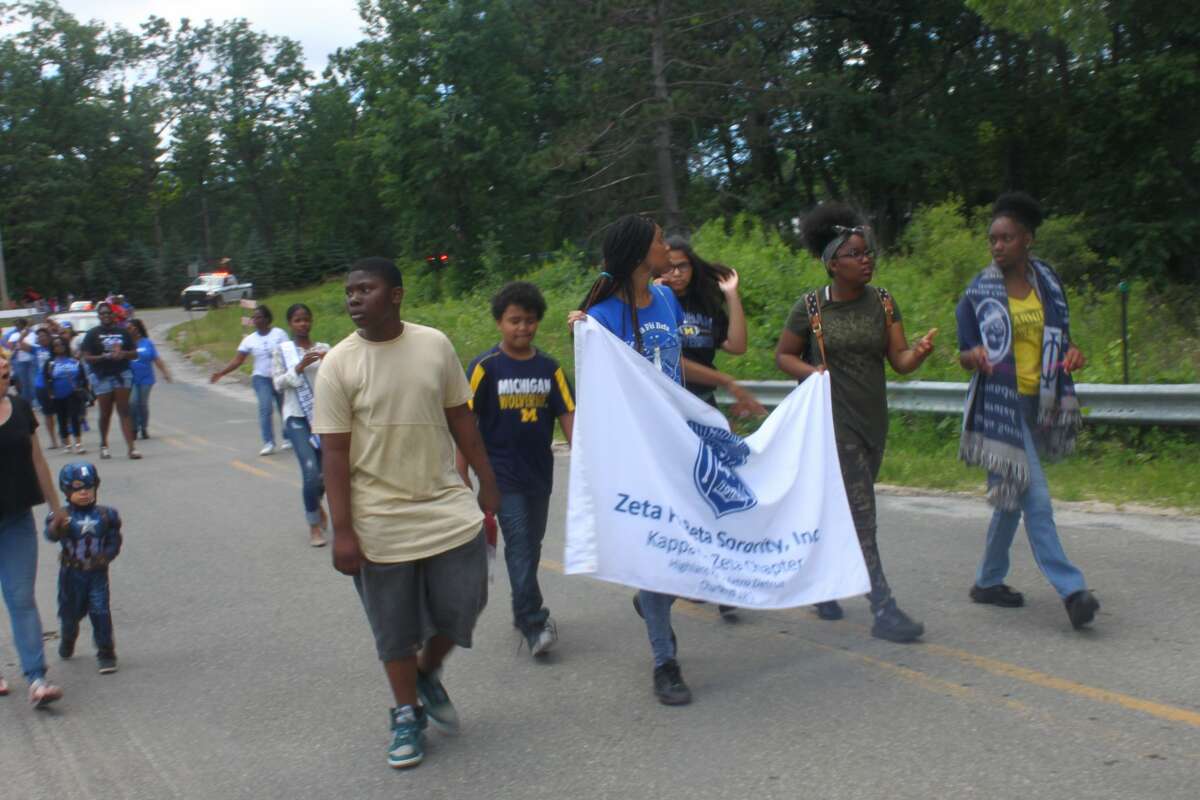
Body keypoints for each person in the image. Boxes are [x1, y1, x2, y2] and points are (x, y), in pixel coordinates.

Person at [313, 257, 500, 770]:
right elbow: (332, 452)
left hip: (444, 505)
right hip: (378, 518)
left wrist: (487, 479)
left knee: (466, 602)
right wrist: (343, 531)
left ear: (395, 295)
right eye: (349, 291)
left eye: (365, 289)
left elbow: (461, 416)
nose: (354, 298)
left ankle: (426, 670)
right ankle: (405, 713)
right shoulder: (339, 364)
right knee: (393, 628)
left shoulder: (433, 344)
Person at [774, 203, 936, 642]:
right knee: (863, 518)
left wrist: (916, 354)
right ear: (832, 263)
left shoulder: (883, 302)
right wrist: (814, 373)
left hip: (872, 422)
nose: (867, 260)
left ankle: (821, 584)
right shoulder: (809, 308)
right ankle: (883, 608)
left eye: (868, 253)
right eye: (856, 254)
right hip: (834, 425)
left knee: (843, 510)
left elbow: (897, 361)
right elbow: (784, 356)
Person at [566, 213, 700, 706]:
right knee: (657, 554)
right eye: (661, 241)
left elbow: (672, 364)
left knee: (681, 548)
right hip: (637, 454)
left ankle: (649, 600)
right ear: (642, 252)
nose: (668, 246)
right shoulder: (601, 320)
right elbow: (599, 395)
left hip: (678, 444)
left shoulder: (665, 297)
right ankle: (665, 662)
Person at [956, 191, 1100, 630]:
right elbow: (964, 352)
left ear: (1027, 240)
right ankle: (1072, 590)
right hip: (1002, 408)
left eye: (1007, 238)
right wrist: (974, 355)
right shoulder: (978, 293)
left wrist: (1074, 354)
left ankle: (987, 581)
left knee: (1011, 499)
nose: (998, 246)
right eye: (992, 239)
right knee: (1036, 498)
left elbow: (1065, 339)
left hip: (1042, 403)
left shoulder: (1048, 284)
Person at [459, 281, 575, 657]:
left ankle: (522, 608)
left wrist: (588, 466)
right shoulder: (485, 368)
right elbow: (465, 422)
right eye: (514, 321)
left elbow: (568, 416)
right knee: (521, 544)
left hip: (540, 472)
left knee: (532, 544)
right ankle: (533, 621)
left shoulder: (550, 369)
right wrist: (462, 474)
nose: (522, 328)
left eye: (529, 321)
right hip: (499, 474)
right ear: (499, 323)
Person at [661, 236, 750, 621]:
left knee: (716, 491)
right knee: (682, 495)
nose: (676, 274)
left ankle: (719, 578)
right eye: (668, 267)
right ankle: (693, 574)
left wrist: (731, 295)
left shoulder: (703, 304)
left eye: (682, 266)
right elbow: (673, 361)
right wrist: (726, 381)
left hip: (703, 407)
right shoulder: (656, 306)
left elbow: (737, 345)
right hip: (667, 408)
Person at [0, 349, 67, 707]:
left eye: (7, 370)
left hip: (16, 521)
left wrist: (56, 508)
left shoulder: (22, 409)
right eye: (0, 371)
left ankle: (36, 677)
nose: (5, 375)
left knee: (21, 597)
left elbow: (37, 461)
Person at [46, 462, 122, 673]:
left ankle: (106, 652)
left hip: (97, 573)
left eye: (89, 488)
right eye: (78, 489)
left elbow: (114, 541)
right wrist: (57, 527)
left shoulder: (106, 515)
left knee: (100, 611)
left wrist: (106, 556)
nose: (84, 493)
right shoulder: (61, 515)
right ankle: (68, 638)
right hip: (71, 573)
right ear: (67, 490)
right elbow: (50, 536)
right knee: (70, 613)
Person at [271, 303, 330, 547]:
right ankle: (314, 526)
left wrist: (329, 362)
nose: (302, 324)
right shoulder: (282, 351)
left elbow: (340, 377)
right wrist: (299, 366)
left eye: (306, 319)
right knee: (310, 470)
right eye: (297, 320)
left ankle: (315, 502)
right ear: (290, 324)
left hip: (324, 417)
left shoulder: (324, 348)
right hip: (297, 417)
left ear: (311, 321)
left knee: (326, 474)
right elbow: (278, 383)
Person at [211, 305, 290, 456]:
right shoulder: (249, 340)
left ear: (267, 319)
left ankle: (288, 437)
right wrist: (221, 373)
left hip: (280, 376)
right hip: (261, 378)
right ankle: (268, 442)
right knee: (265, 408)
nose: (256, 320)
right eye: (254, 318)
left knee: (285, 408)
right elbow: (238, 361)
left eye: (259, 317)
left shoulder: (279, 334)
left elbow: (289, 352)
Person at [79, 302, 140, 460]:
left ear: (113, 315)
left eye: (108, 313)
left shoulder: (123, 332)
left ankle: (131, 448)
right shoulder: (93, 334)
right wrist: (103, 357)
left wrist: (124, 354)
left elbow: (135, 353)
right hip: (102, 375)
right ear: (99, 316)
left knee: (124, 410)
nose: (106, 316)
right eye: (102, 314)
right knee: (105, 412)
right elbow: (86, 356)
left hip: (121, 373)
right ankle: (103, 445)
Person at [127, 318, 173, 439]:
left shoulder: (147, 343)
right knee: (132, 403)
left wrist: (165, 372)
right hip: (131, 378)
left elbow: (156, 359)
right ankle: (134, 428)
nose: (129, 330)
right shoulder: (126, 344)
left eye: (131, 327)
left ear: (137, 329)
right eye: (128, 328)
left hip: (146, 378)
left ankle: (144, 427)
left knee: (142, 404)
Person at [45, 336, 86, 454]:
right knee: (61, 418)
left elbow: (82, 375)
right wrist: (50, 393)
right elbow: (47, 378)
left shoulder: (73, 360)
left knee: (74, 417)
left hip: (73, 393)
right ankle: (67, 444)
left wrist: (82, 388)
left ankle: (78, 443)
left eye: (61, 345)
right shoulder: (50, 363)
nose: (59, 347)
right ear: (53, 348)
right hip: (57, 394)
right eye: (56, 345)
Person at [31, 327, 59, 450]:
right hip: (41, 385)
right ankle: (53, 440)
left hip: (58, 384)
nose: (42, 338)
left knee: (62, 412)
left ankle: (66, 437)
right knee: (48, 414)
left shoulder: (56, 349)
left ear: (49, 337)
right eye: (39, 336)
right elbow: (20, 345)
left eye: (44, 335)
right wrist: (24, 333)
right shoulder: (36, 349)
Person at [5, 318, 36, 403]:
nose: (18, 326)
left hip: (32, 361)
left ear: (24, 324)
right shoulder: (14, 335)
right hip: (20, 361)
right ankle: (26, 401)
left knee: (32, 381)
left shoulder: (32, 334)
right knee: (24, 382)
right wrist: (17, 345)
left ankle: (34, 401)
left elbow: (32, 347)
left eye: (19, 324)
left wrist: (20, 345)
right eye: (17, 325)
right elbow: (10, 347)